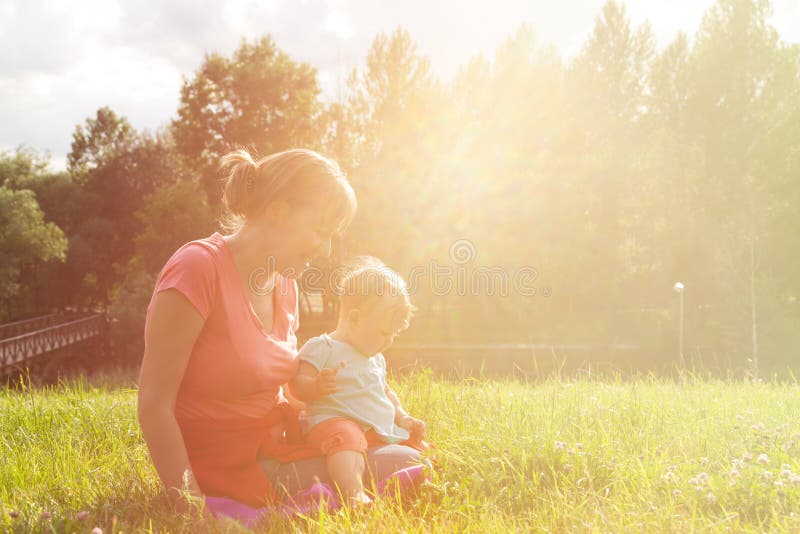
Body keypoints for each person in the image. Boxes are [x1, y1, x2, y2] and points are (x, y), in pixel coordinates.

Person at [137, 148, 424, 515]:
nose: (325, 249)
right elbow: (154, 405)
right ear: (278, 211)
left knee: (396, 452)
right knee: (399, 462)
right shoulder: (197, 268)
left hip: (275, 446)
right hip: (225, 466)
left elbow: (282, 389)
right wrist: (194, 511)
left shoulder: (285, 286)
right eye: (321, 230)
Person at [290, 260, 428, 505]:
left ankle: (406, 476)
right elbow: (297, 385)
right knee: (347, 435)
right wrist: (315, 387)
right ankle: (353, 494)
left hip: (372, 429)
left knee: (416, 444)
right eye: (385, 333)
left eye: (394, 334)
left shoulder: (375, 357)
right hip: (332, 426)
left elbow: (386, 392)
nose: (389, 342)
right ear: (355, 319)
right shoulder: (322, 347)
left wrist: (403, 418)